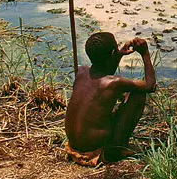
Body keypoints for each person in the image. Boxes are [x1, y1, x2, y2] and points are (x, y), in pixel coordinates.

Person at [65, 32, 156, 166]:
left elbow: (104, 73)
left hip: (75, 144)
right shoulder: (114, 83)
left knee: (119, 98)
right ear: (112, 53)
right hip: (96, 148)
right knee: (138, 95)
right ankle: (117, 148)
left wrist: (118, 54)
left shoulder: (81, 71)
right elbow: (150, 86)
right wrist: (145, 54)